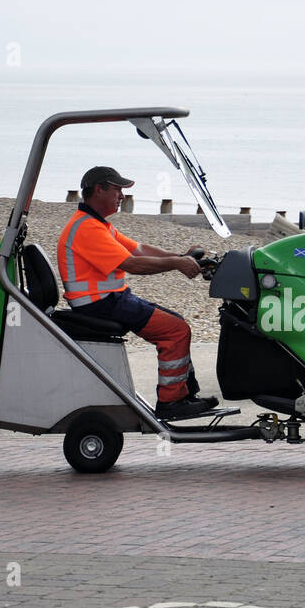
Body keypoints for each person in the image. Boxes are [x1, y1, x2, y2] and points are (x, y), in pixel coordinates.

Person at [58, 165, 218, 420]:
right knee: (175, 330)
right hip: (100, 304)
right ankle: (172, 402)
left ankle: (184, 395)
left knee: (178, 323)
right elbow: (133, 264)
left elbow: (139, 249)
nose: (121, 196)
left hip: (110, 299)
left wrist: (180, 256)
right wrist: (177, 264)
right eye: (117, 189)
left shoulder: (98, 225)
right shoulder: (86, 229)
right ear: (98, 190)